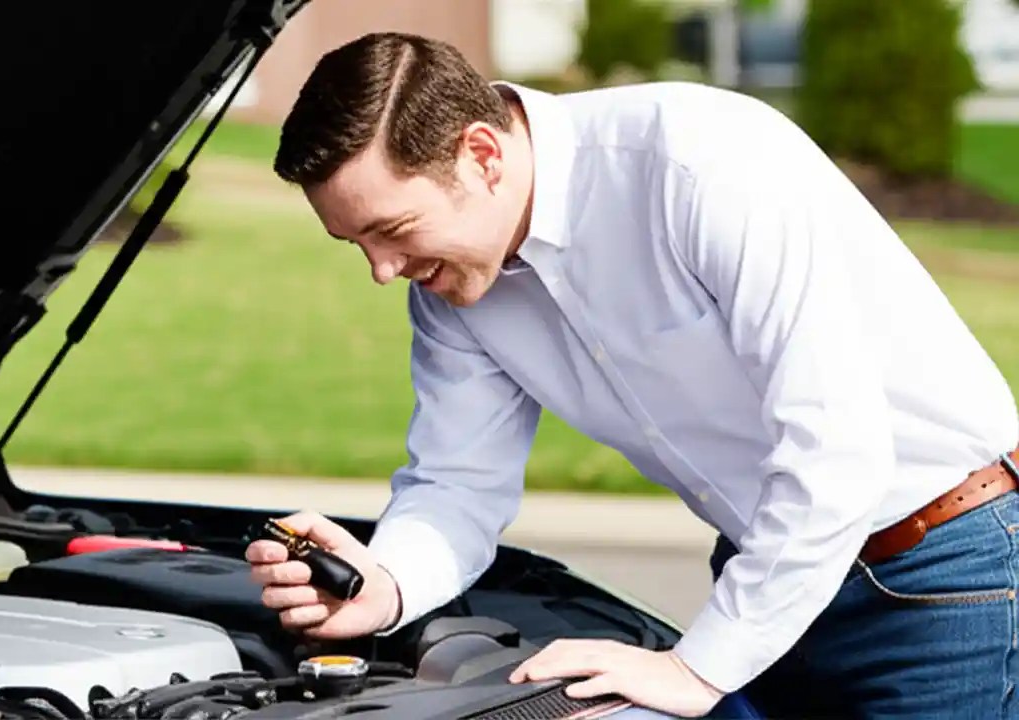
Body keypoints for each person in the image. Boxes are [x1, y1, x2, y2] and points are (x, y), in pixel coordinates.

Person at [244, 31, 1019, 718]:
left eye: (393, 230)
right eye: (356, 244)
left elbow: (838, 451)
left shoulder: (699, 164)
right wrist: (385, 583)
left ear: (481, 155)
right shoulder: (451, 283)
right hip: (770, 573)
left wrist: (695, 667)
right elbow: (456, 484)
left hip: (941, 570)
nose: (383, 271)